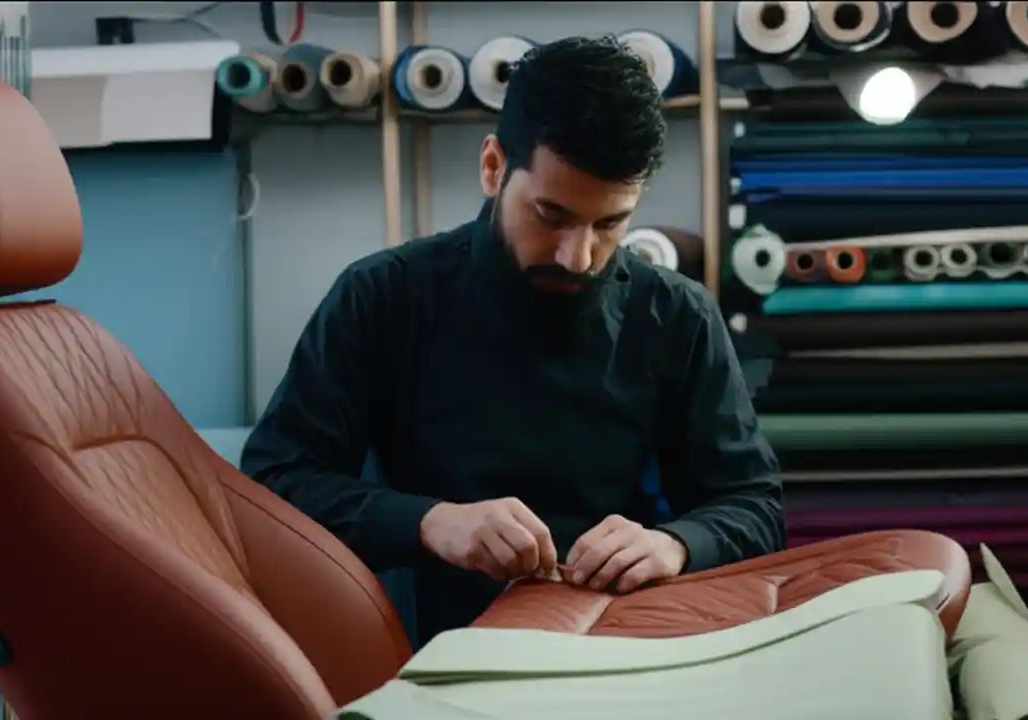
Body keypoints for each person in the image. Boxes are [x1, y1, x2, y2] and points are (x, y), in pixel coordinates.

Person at [241, 35, 784, 648]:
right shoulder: (382, 296)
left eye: (610, 224)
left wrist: (677, 542)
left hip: (623, 647)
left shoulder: (677, 314)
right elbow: (275, 481)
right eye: (550, 215)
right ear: (494, 167)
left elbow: (753, 503)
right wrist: (428, 522)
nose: (577, 257)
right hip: (423, 645)